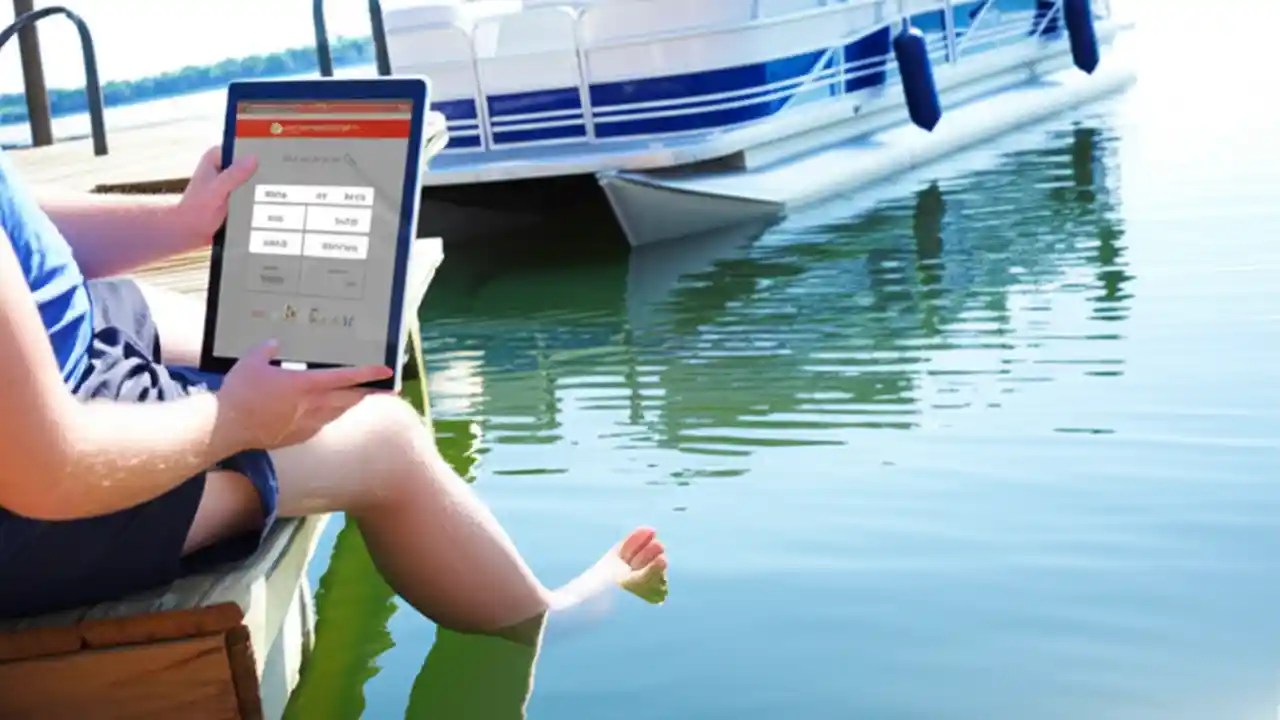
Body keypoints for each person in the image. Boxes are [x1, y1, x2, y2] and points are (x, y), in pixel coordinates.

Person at [0, 145, 668, 640]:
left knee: (282, 338)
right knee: (387, 438)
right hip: (38, 498)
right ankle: (546, 619)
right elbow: (47, 471)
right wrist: (231, 422)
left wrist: (181, 222)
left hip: (73, 342)